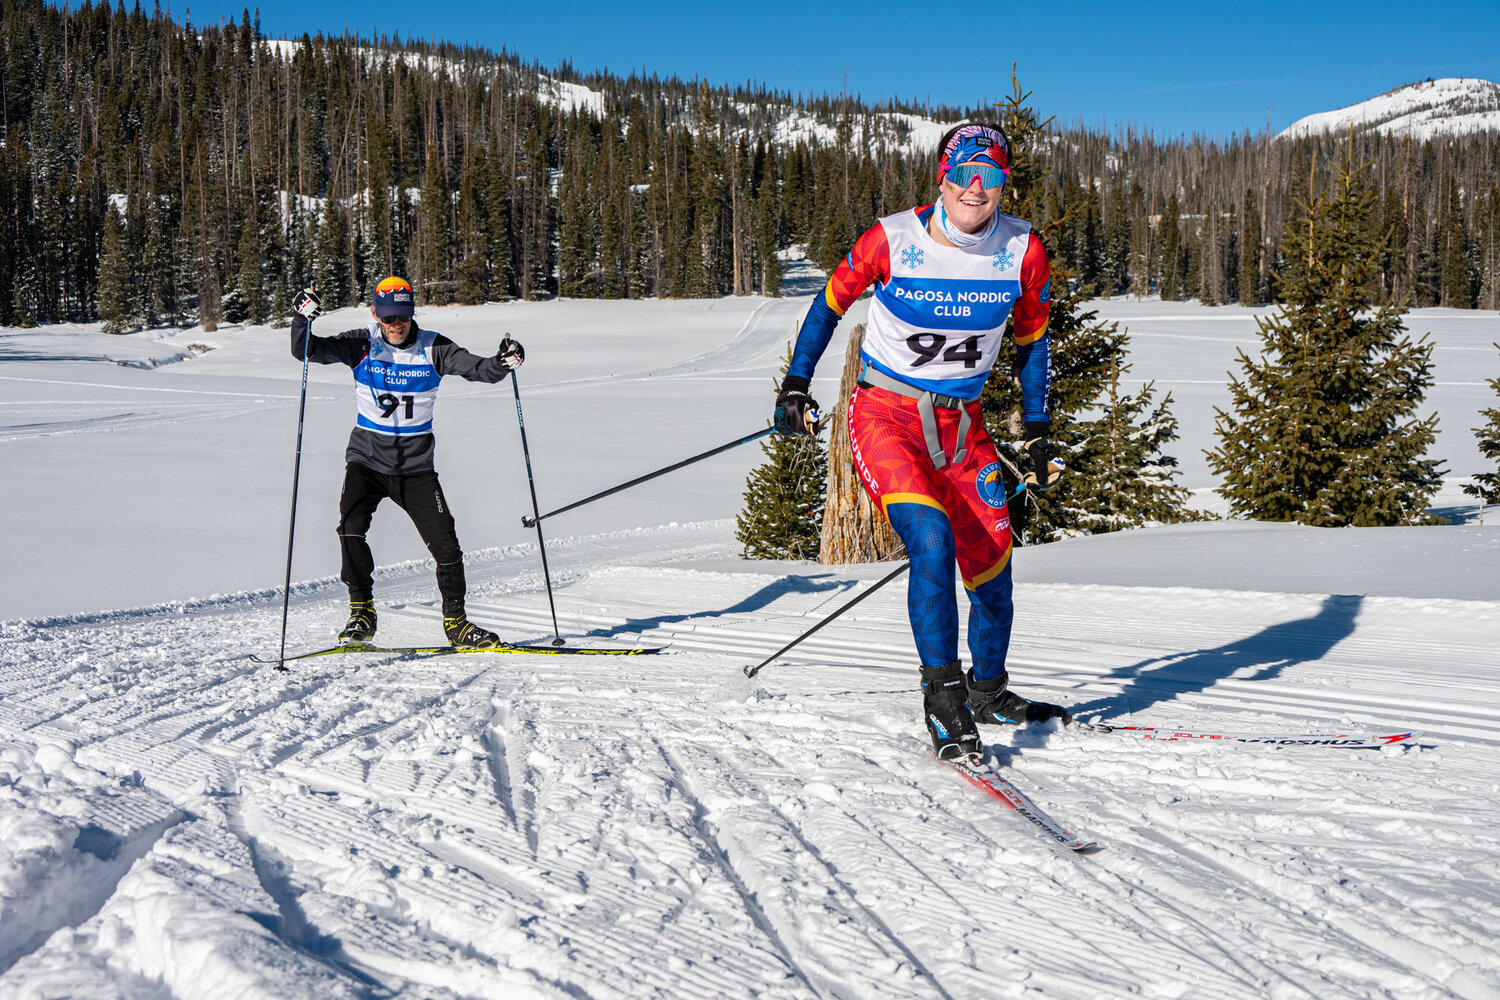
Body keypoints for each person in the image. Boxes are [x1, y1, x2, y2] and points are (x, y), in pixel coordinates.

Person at [773, 123, 1071, 763]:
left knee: (993, 571)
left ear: (1002, 184)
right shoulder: (892, 239)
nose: (974, 187)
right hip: (885, 414)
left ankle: (988, 689)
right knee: (930, 541)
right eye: (963, 172)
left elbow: (1033, 339)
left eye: (988, 176)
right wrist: (796, 385)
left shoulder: (1022, 249)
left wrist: (1039, 430)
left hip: (963, 428)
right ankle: (943, 698)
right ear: (942, 177)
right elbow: (828, 305)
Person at [289, 276, 525, 648]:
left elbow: (480, 369)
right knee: (350, 527)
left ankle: (457, 624)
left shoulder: (435, 348)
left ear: (412, 313)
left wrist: (504, 362)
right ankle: (361, 612)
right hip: (367, 461)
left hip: (416, 469)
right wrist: (302, 320)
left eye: (402, 316)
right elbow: (307, 351)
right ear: (375, 314)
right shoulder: (360, 342)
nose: (395, 325)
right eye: (388, 318)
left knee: (446, 544)